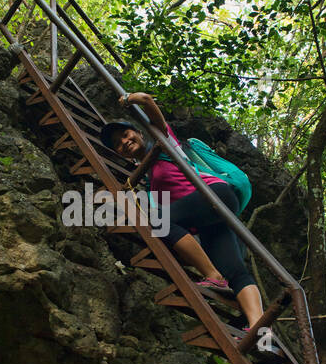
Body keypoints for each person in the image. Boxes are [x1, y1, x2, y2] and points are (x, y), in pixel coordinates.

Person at [100, 91, 264, 331]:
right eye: (118, 144)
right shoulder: (145, 176)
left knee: (159, 221)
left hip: (214, 195)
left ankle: (213, 277)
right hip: (207, 218)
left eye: (125, 134)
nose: (124, 142)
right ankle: (259, 328)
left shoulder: (164, 144)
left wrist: (131, 99)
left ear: (138, 132)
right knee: (236, 271)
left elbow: (148, 103)